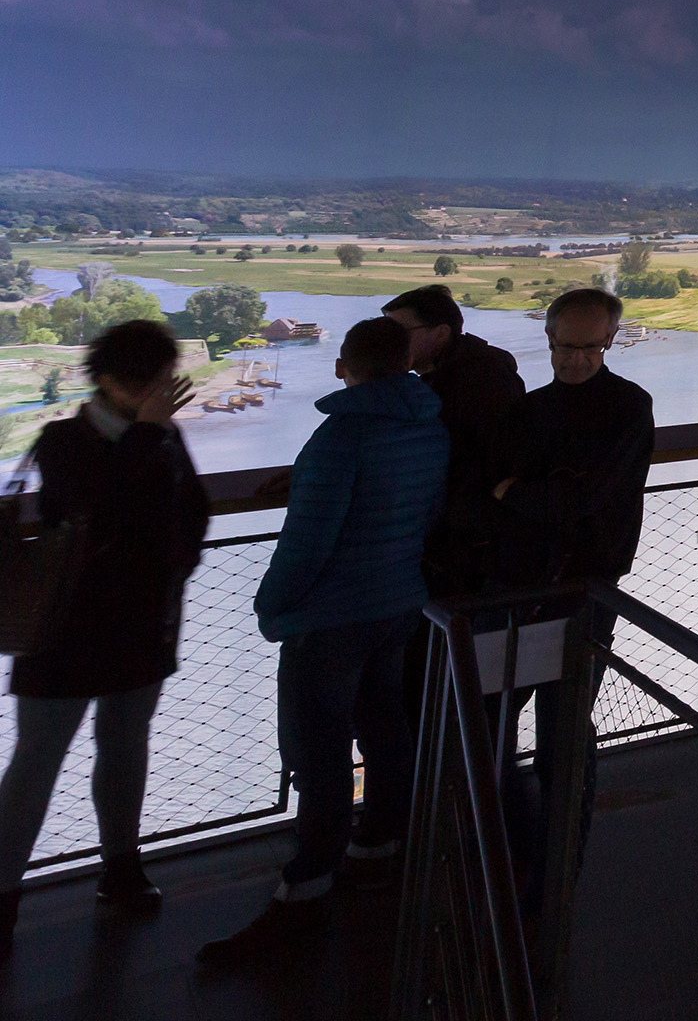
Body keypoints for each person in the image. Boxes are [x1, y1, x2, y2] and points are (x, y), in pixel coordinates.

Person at [200, 315, 449, 967]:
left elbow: (307, 545)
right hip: (398, 602)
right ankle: (378, 851)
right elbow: (420, 512)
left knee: (320, 757)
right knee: (385, 727)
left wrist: (271, 606)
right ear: (404, 362)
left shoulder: (340, 439)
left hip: (332, 620)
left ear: (346, 365)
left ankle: (305, 892)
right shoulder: (429, 426)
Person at [0, 321, 207, 953]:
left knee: (124, 751)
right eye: (149, 379)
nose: (161, 392)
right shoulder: (64, 440)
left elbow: (192, 513)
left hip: (139, 628)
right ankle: (3, 900)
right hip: (63, 633)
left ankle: (121, 869)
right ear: (110, 381)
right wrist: (149, 431)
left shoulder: (160, 437)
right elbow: (100, 503)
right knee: (35, 765)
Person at [488, 287, 655, 897]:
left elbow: (579, 501)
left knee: (564, 736)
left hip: (583, 592)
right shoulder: (532, 410)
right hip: (529, 590)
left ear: (609, 341)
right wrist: (540, 500)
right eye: (568, 345)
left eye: (591, 346)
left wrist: (517, 495)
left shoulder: (630, 406)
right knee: (499, 732)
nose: (579, 357)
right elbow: (568, 499)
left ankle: (558, 871)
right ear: (550, 338)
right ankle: (527, 857)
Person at [384, 284, 527, 605]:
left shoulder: (479, 383)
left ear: (441, 332)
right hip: (455, 540)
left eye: (400, 332)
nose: (389, 343)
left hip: (465, 547)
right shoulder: (452, 376)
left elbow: (478, 463)